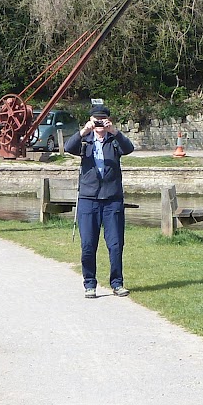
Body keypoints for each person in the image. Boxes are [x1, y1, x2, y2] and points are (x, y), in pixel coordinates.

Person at [67, 106, 134, 298]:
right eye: (96, 120)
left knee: (115, 244)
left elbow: (129, 148)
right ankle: (90, 283)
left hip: (112, 199)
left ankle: (117, 283)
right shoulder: (85, 141)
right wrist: (84, 131)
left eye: (102, 121)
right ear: (90, 120)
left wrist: (115, 131)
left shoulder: (114, 141)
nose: (99, 124)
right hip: (88, 199)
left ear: (108, 121)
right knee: (88, 244)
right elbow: (69, 147)